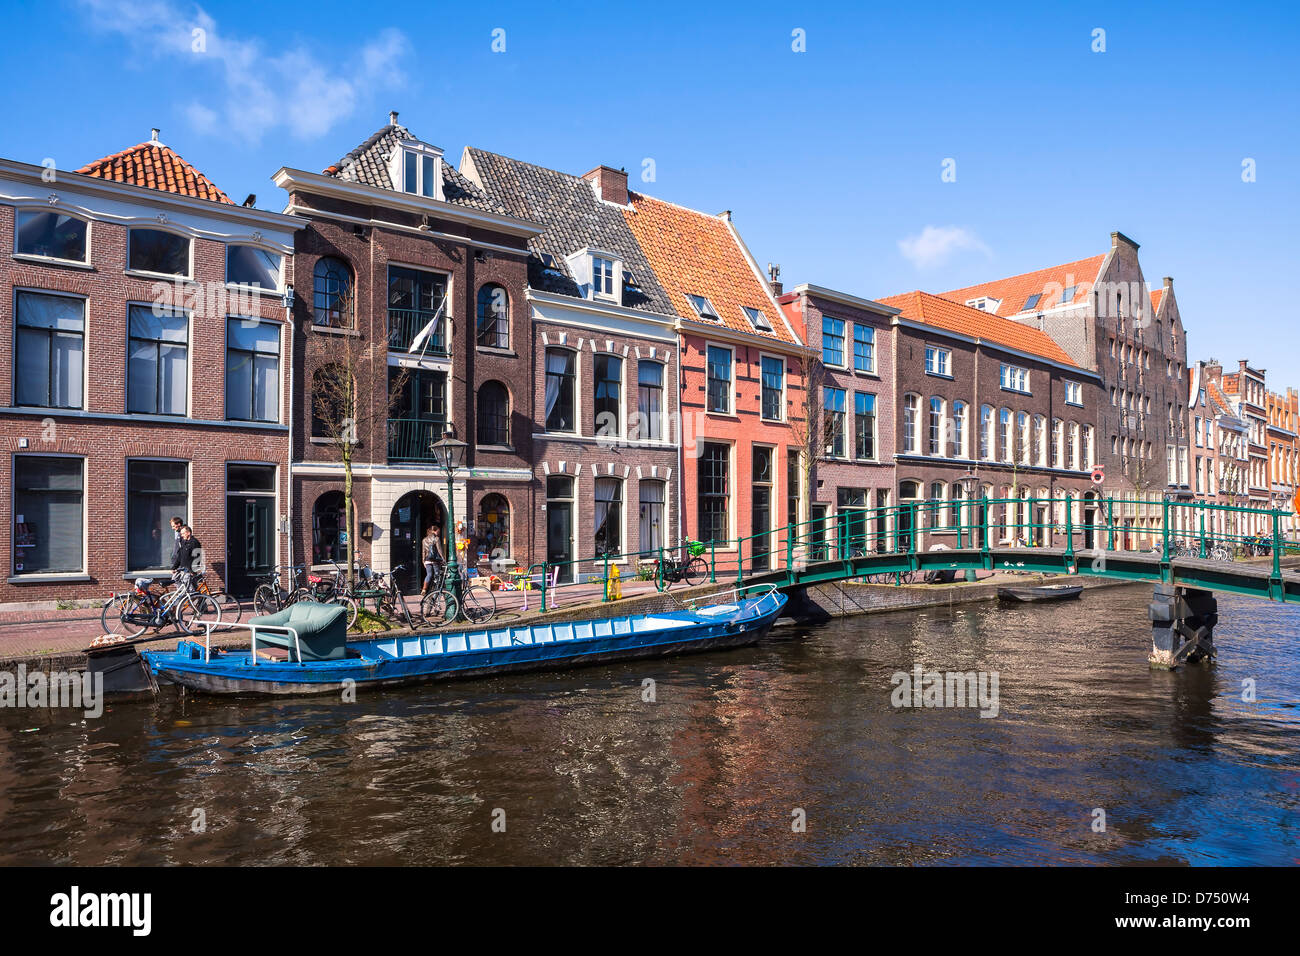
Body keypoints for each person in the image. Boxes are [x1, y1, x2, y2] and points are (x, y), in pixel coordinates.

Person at [172, 524, 202, 591]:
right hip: (183, 569)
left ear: (188, 533)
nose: (182, 535)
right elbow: (180, 556)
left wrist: (193, 570)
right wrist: (174, 567)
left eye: (183, 533)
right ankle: (186, 595)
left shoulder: (195, 542)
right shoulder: (183, 542)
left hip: (189, 570)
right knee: (175, 579)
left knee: (189, 587)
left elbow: (197, 557)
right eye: (181, 534)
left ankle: (190, 598)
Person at [420, 527, 444, 597]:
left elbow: (423, 551)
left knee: (429, 575)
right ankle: (435, 592)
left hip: (427, 560)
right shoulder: (436, 539)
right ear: (434, 531)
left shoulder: (424, 540)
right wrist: (443, 559)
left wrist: (423, 561)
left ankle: (424, 589)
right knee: (437, 575)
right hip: (435, 560)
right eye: (438, 531)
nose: (438, 533)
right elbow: (439, 550)